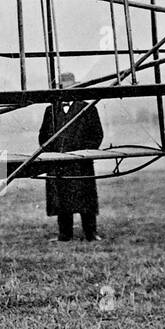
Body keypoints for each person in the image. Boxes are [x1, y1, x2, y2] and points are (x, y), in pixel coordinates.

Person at [39, 71, 104, 242]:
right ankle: (64, 235)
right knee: (62, 201)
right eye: (63, 88)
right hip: (58, 164)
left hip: (81, 163)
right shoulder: (51, 111)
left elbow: (97, 135)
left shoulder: (88, 108)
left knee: (86, 200)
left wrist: (84, 153)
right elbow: (43, 138)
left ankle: (91, 234)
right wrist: (53, 155)